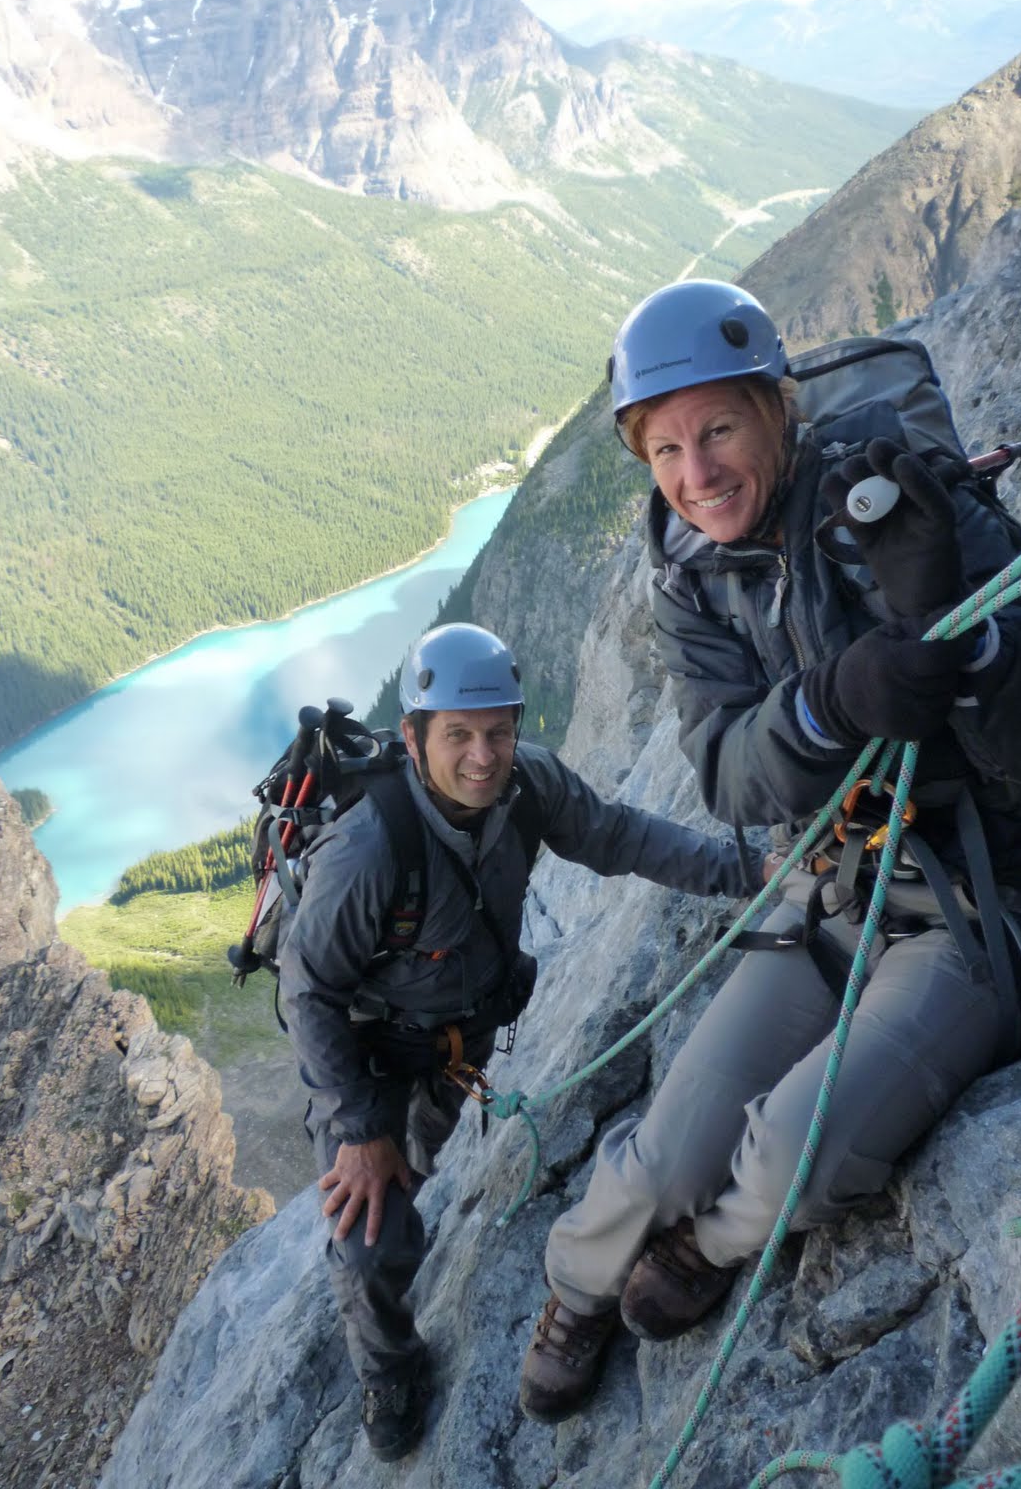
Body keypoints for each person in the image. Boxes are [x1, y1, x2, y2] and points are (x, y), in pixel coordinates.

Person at [519, 278, 1021, 1424]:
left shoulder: (911, 503)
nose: (698, 473)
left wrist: (965, 646)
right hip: (835, 896)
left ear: (778, 410)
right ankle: (578, 1286)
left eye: (720, 428)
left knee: (788, 1159)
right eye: (667, 448)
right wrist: (833, 703)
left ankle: (720, 1245)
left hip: (979, 913)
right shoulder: (691, 575)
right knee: (658, 1154)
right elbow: (731, 772)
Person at [279, 621, 760, 1462]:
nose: (481, 755)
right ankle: (389, 1367)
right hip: (366, 1061)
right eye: (458, 735)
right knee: (368, 1243)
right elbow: (307, 987)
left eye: (498, 731)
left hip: (452, 1048)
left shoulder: (528, 787)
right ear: (414, 737)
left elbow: (624, 838)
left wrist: (747, 876)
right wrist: (358, 1131)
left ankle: (405, 1191)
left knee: (420, 1170)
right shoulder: (367, 848)